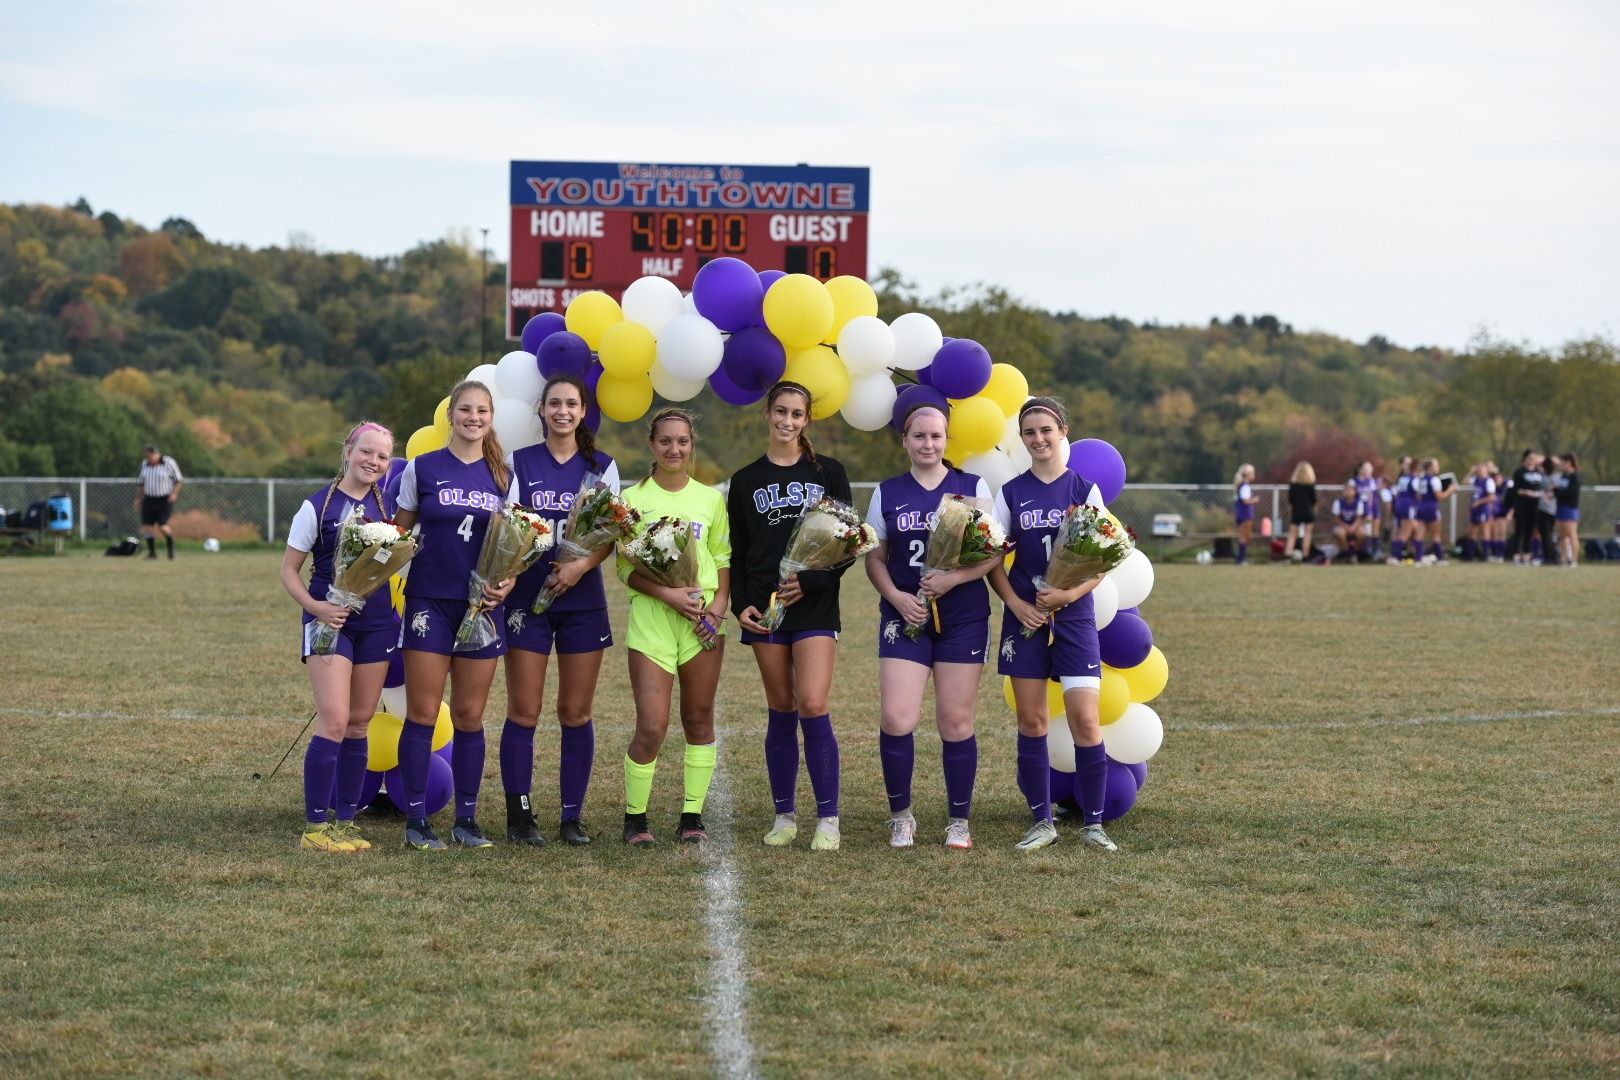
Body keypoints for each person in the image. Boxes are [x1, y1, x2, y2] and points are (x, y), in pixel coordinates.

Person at [865, 404, 998, 850]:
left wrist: (955, 578)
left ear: (946, 440)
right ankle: (901, 816)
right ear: (905, 440)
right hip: (906, 618)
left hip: (962, 617)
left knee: (955, 721)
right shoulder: (887, 492)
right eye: (919, 437)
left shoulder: (971, 487)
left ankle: (958, 821)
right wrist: (897, 597)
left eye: (936, 437)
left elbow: (994, 552)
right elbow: (875, 558)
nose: (928, 445)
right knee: (897, 717)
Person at [392, 380, 517, 851]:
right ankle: (417, 821)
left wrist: (508, 582)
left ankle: (467, 820)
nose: (474, 417)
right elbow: (396, 535)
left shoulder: (504, 474)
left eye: (482, 411)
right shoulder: (422, 469)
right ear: (452, 415)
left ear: (490, 418)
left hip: (481, 607)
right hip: (429, 601)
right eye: (465, 409)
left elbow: (518, 541)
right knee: (423, 712)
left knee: (469, 715)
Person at [728, 382, 853, 852]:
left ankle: (828, 819)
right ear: (767, 413)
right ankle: (784, 815)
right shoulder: (745, 480)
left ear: (807, 420)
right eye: (780, 411)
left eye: (797, 414)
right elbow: (739, 554)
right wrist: (743, 604)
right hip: (767, 609)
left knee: (813, 703)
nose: (787, 420)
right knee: (781, 708)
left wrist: (814, 582)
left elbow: (848, 545)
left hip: (815, 605)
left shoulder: (830, 473)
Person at [988, 397, 1116, 852]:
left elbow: (1103, 562)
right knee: (1032, 719)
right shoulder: (1012, 492)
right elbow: (991, 558)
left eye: (1046, 429)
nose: (1038, 439)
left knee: (1085, 721)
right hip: (1025, 620)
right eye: (1029, 432)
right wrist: (1014, 602)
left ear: (1063, 431)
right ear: (1022, 440)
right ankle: (1042, 821)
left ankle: (1095, 824)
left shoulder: (1085, 489)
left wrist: (1068, 595)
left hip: (1075, 618)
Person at [501, 374, 621, 847]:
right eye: (554, 404)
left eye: (571, 404)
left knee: (575, 712)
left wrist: (578, 568)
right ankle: (520, 816)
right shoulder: (519, 462)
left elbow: (610, 534)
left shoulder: (602, 467)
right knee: (524, 711)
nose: (563, 411)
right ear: (542, 411)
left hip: (583, 602)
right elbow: (510, 532)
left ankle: (572, 817)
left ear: (583, 410)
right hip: (527, 602)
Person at [278, 422, 397, 852]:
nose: (374, 462)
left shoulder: (392, 508)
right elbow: (289, 571)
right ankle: (314, 828)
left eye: (382, 457)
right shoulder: (316, 507)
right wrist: (317, 609)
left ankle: (345, 822)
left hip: (379, 623)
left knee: (360, 723)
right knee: (333, 720)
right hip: (329, 623)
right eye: (367, 452)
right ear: (348, 451)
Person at [617, 408, 731, 847]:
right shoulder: (632, 500)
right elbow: (625, 568)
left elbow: (722, 558)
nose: (674, 449)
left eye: (682, 441)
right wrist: (667, 594)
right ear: (652, 444)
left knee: (699, 719)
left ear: (691, 444)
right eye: (665, 441)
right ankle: (635, 818)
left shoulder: (710, 499)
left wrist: (718, 607)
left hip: (702, 624)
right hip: (653, 621)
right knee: (652, 726)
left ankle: (691, 816)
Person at [134, 444, 183, 560]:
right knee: (147, 527)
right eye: (147, 457)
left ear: (157, 454)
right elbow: (141, 484)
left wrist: (174, 494)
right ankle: (152, 553)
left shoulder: (169, 463)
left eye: (151, 456)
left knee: (162, 526)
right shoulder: (145, 464)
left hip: (164, 499)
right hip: (149, 498)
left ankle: (171, 547)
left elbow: (179, 480)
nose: (149, 459)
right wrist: (138, 499)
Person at [1508, 450, 1546, 567]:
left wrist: (1542, 493)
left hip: (1534, 505)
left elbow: (1540, 487)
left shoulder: (1538, 472)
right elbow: (1515, 489)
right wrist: (1526, 492)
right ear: (1525, 458)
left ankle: (1527, 556)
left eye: (1534, 458)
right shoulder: (1520, 472)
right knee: (1520, 531)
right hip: (1522, 505)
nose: (1532, 460)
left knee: (1530, 532)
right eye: (1530, 457)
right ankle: (1516, 556)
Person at [1413, 458, 1454, 565]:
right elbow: (1440, 496)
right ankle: (1440, 559)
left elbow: (1418, 495)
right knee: (1436, 535)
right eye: (1436, 465)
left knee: (1420, 535)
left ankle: (1418, 560)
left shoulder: (1420, 479)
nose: (1438, 467)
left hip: (1421, 507)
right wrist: (1450, 490)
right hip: (1431, 508)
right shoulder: (1434, 479)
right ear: (1430, 467)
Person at [1551, 453, 1581, 567]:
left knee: (1571, 534)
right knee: (1562, 535)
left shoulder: (1575, 477)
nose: (1561, 465)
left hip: (1570, 508)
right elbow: (1560, 491)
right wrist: (1555, 490)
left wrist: (1557, 492)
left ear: (1569, 462)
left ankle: (1574, 560)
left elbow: (1569, 493)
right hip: (1560, 507)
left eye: (1563, 462)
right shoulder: (1563, 476)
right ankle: (1563, 559)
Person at [1388, 457, 1419, 565]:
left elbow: (1397, 493)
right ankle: (1395, 557)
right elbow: (1418, 494)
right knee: (1404, 533)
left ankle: (1415, 555)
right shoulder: (1413, 479)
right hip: (1408, 506)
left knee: (1416, 530)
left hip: (1400, 504)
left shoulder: (1402, 478)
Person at [1284, 461, 1317, 562]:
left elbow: (1291, 502)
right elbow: (1314, 501)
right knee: (1308, 534)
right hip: (1308, 512)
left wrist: (1290, 514)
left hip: (1296, 512)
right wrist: (1314, 513)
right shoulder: (1311, 486)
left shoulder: (1293, 486)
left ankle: (1288, 554)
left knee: (1292, 534)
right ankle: (1305, 555)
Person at [1464, 463, 1496, 562]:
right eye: (1479, 469)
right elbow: (1464, 482)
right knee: (1471, 531)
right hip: (1475, 508)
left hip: (1483, 508)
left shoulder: (1489, 481)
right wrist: (1471, 472)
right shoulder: (1476, 480)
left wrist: (1479, 502)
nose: (1480, 471)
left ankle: (1485, 555)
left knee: (1484, 531)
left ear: (1487, 470)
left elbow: (1491, 497)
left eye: (1483, 469)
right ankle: (1470, 555)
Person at [1329, 480, 1366, 562]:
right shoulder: (1338, 502)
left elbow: (1359, 518)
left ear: (1354, 492)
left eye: (1350, 490)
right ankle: (1347, 553)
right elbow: (1336, 518)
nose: (1348, 492)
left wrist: (1353, 528)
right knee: (1340, 533)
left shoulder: (1358, 503)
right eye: (1346, 490)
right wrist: (1346, 527)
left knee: (1362, 533)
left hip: (1355, 525)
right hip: (1343, 525)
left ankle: (1354, 553)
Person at [1352, 461, 1382, 559]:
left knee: (1375, 530)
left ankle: (1376, 551)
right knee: (1362, 531)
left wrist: (1370, 512)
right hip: (1359, 510)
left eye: (1369, 469)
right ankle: (1363, 552)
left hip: (1372, 508)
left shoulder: (1372, 481)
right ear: (1360, 470)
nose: (1368, 471)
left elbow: (1372, 497)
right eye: (1366, 469)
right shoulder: (1354, 481)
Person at [1232, 464, 1257, 565]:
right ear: (1248, 474)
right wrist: (1254, 500)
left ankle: (1242, 558)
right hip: (1245, 514)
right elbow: (1245, 501)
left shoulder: (1241, 486)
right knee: (1244, 536)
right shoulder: (1245, 486)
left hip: (1241, 514)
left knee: (1246, 536)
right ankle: (1241, 559)